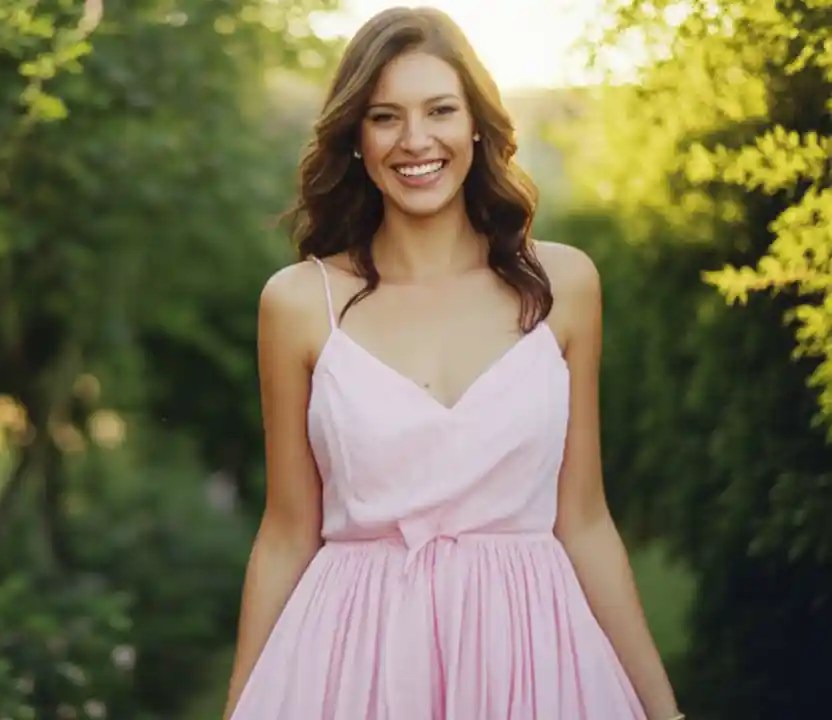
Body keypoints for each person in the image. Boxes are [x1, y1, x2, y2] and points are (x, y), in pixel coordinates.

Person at [221, 7, 682, 720]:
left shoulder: (564, 287)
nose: (415, 140)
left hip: (531, 660)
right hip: (354, 665)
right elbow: (286, 534)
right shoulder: (299, 303)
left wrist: (664, 710)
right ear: (356, 139)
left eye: (440, 110)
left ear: (476, 125)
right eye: (385, 117)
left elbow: (585, 520)